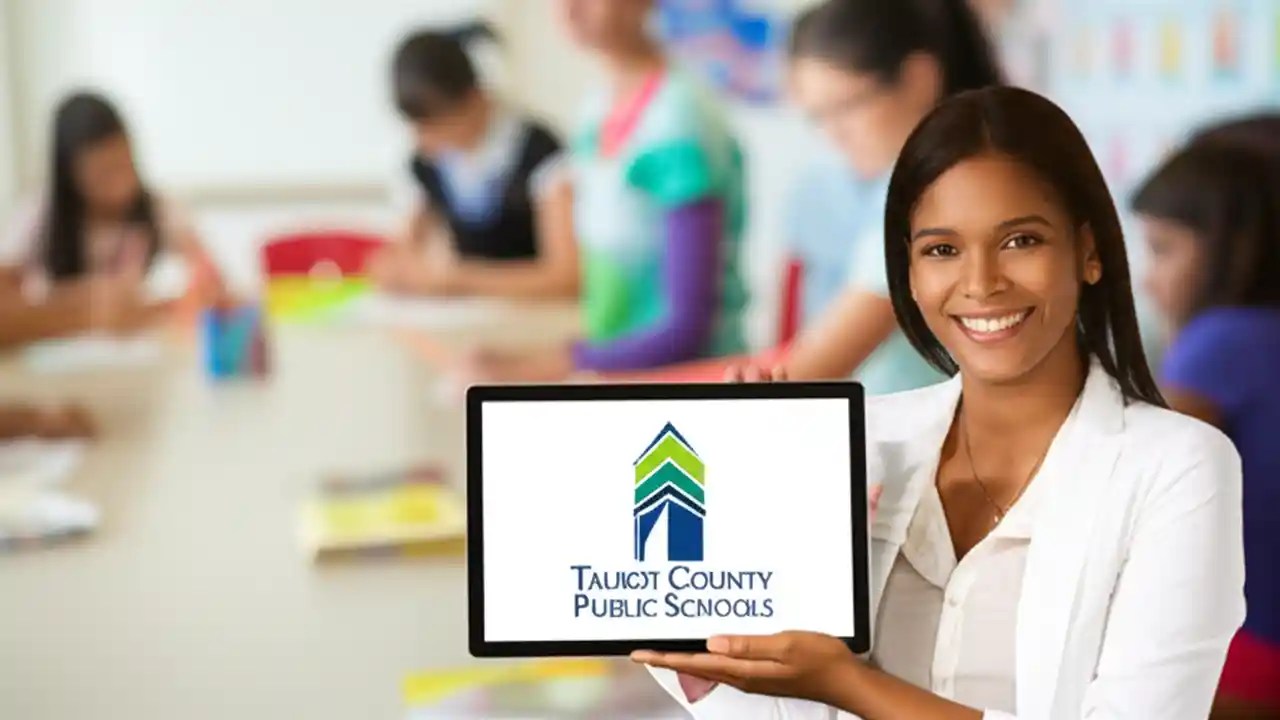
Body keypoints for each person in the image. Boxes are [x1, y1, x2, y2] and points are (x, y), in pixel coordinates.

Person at [633, 87, 1245, 719]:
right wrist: (729, 556)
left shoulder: (1179, 467)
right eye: (942, 250)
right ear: (909, 271)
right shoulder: (861, 444)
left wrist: (848, 684)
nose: (981, 283)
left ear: (1088, 251)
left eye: (1021, 241)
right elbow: (767, 709)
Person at [454, 0, 749, 381]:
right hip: (624, 385)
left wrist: (531, 367)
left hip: (690, 394)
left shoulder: (678, 120)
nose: (569, 9)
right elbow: (613, 304)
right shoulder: (597, 110)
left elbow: (686, 328)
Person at [770, 0, 1002, 393]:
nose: (834, 134)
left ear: (918, 79)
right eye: (818, 116)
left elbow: (808, 372)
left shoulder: (938, 193)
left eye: (846, 107)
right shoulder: (878, 186)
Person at [1132, 130, 1280, 719]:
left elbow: (1137, 497)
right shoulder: (1263, 332)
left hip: (1254, 649)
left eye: (1163, 250)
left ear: (1229, 248)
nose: (1148, 279)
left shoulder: (1218, 342)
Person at [367, 25, 578, 299]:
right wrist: (397, 270)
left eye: (435, 124)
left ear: (475, 99)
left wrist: (458, 278)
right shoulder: (427, 163)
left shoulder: (540, 153)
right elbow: (405, 247)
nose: (424, 141)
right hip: (470, 320)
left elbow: (567, 277)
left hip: (538, 319)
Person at [0, 92, 220, 344]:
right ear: (70, 175)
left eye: (124, 165)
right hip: (54, 354)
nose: (119, 184)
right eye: (103, 173)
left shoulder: (158, 208)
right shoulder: (39, 213)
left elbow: (209, 278)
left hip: (129, 356)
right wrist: (82, 304)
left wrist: (186, 295)